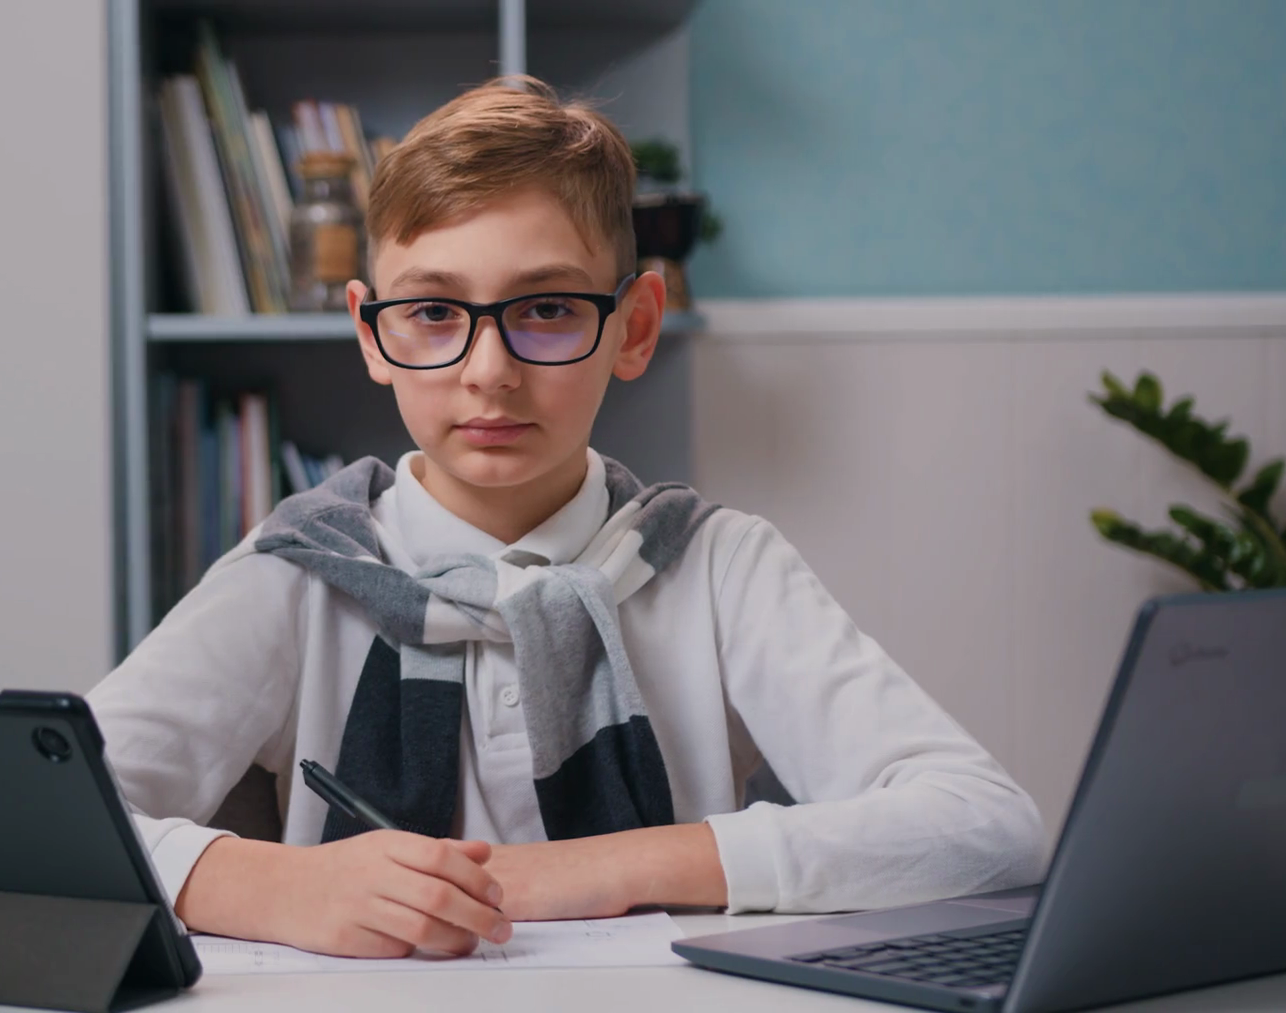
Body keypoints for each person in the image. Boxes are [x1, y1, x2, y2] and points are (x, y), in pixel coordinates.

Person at [88, 77, 1046, 960]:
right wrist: (272, 884)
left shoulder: (719, 566)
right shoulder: (297, 570)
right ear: (369, 333)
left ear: (633, 328)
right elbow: (50, 814)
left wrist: (597, 868)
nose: (488, 371)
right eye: (431, 311)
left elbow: (985, 825)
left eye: (545, 308)